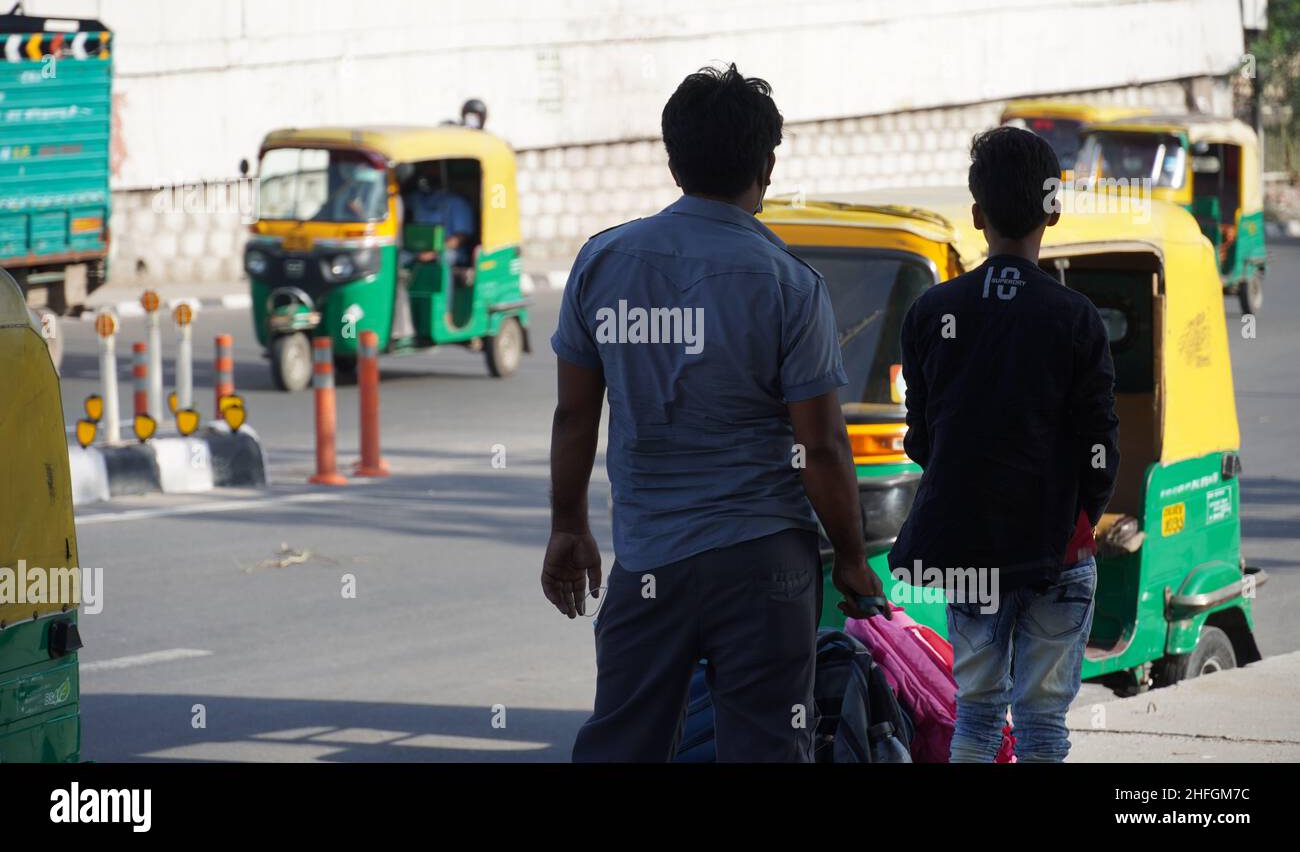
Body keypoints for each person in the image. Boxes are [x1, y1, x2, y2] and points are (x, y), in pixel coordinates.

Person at [542, 64, 888, 763]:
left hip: (648, 564)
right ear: (766, 164)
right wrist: (851, 558)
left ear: (673, 161)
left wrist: (568, 527)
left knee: (624, 745)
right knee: (766, 747)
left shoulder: (602, 262)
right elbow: (819, 447)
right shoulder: (791, 283)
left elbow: (575, 417)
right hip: (765, 566)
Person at [887, 126, 1120, 763]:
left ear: (976, 215)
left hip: (972, 553)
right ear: (1053, 209)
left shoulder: (932, 312)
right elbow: (1100, 448)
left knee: (977, 718)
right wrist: (1075, 518)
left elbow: (924, 437)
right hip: (1059, 551)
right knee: (1045, 727)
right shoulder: (1076, 318)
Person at [405, 170, 476, 267]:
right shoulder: (417, 198)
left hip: (446, 250)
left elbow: (458, 239)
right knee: (399, 257)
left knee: (448, 256)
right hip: (418, 248)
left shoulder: (458, 203)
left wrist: (433, 253)